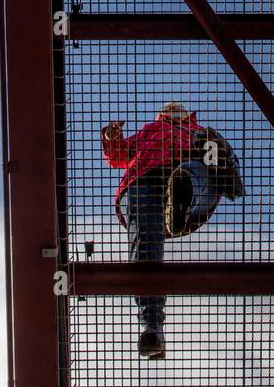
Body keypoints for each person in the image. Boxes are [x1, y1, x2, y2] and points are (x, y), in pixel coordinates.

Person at [102, 101, 242, 360]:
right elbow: (120, 156)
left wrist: (218, 153)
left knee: (197, 168)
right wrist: (113, 137)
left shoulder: (198, 131)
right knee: (146, 247)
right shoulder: (149, 130)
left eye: (176, 107)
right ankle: (152, 327)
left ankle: (181, 199)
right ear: (161, 115)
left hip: (191, 176)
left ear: (187, 114)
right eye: (167, 108)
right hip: (143, 182)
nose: (171, 108)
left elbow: (220, 164)